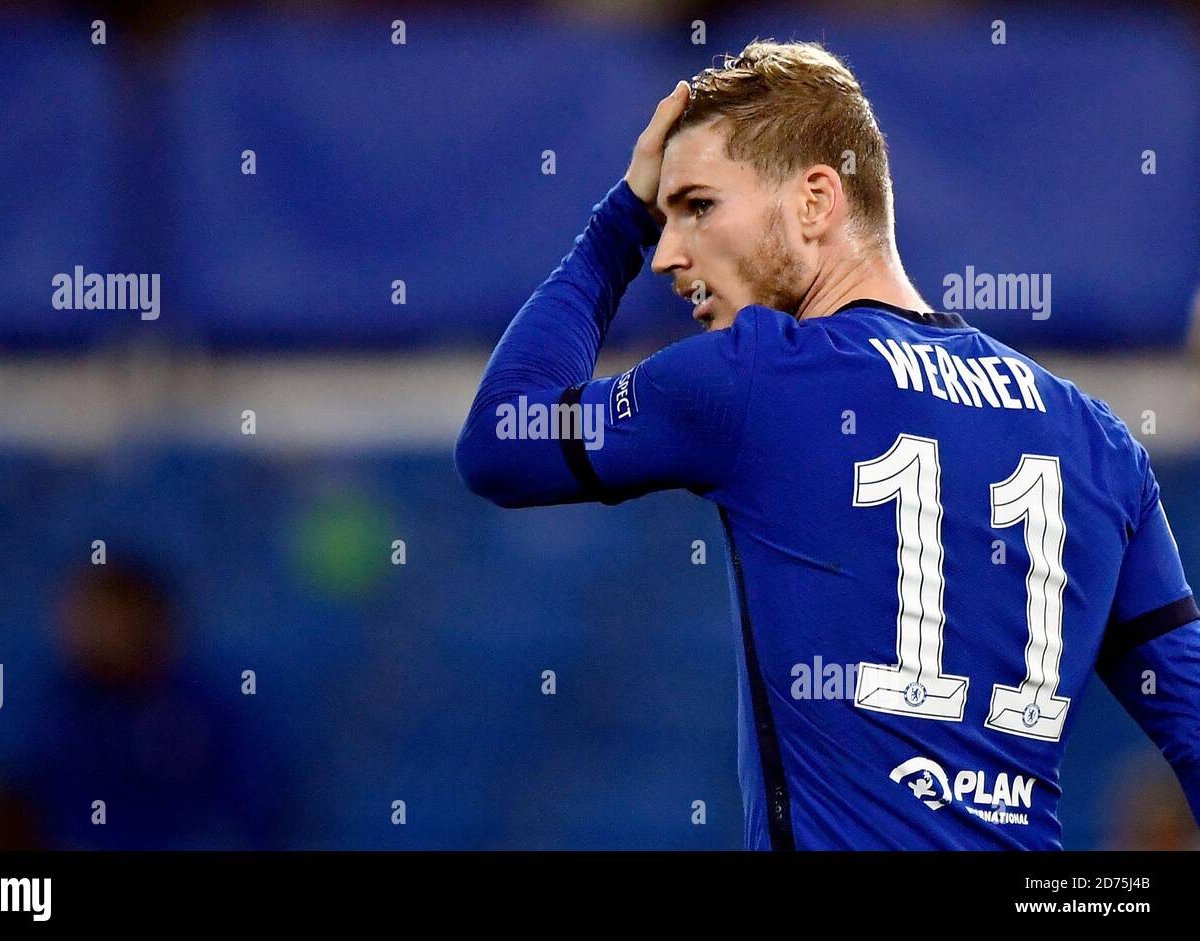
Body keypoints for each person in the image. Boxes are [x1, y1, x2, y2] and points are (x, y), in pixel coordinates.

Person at [454, 40, 1200, 849]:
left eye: (696, 206)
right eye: (659, 219)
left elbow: (502, 438)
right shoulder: (1096, 438)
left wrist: (616, 226)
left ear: (815, 201)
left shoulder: (758, 374)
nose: (666, 255)